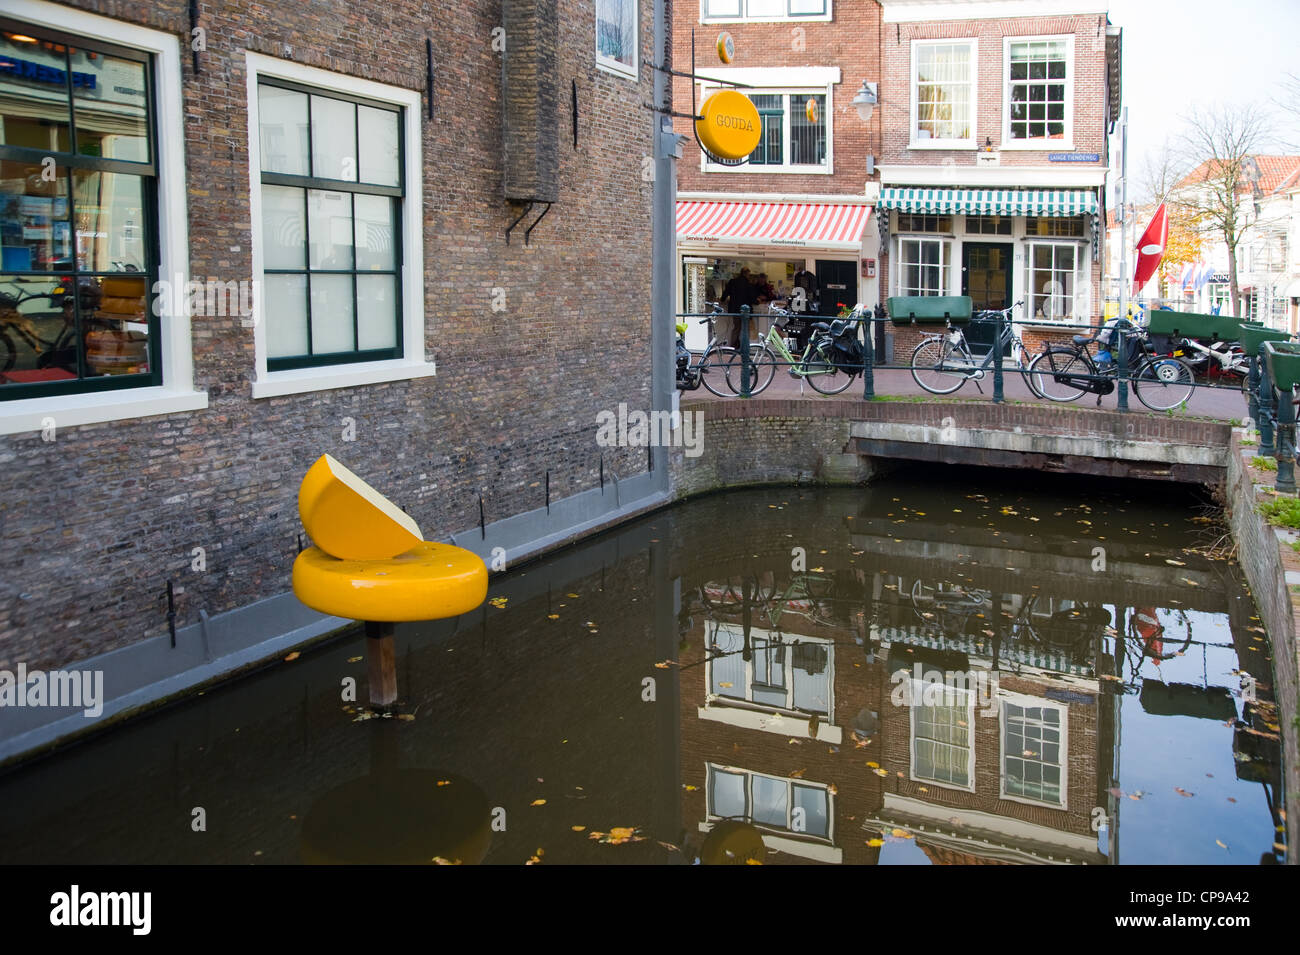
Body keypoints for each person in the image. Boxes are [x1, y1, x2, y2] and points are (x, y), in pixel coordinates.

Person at [721, 268, 759, 347]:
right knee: (745, 329)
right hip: (745, 311)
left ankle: (733, 346)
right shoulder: (748, 284)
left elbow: (725, 293)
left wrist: (722, 299)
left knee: (736, 328)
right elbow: (753, 299)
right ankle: (744, 346)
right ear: (746, 274)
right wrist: (758, 301)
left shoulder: (733, 282)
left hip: (735, 309)